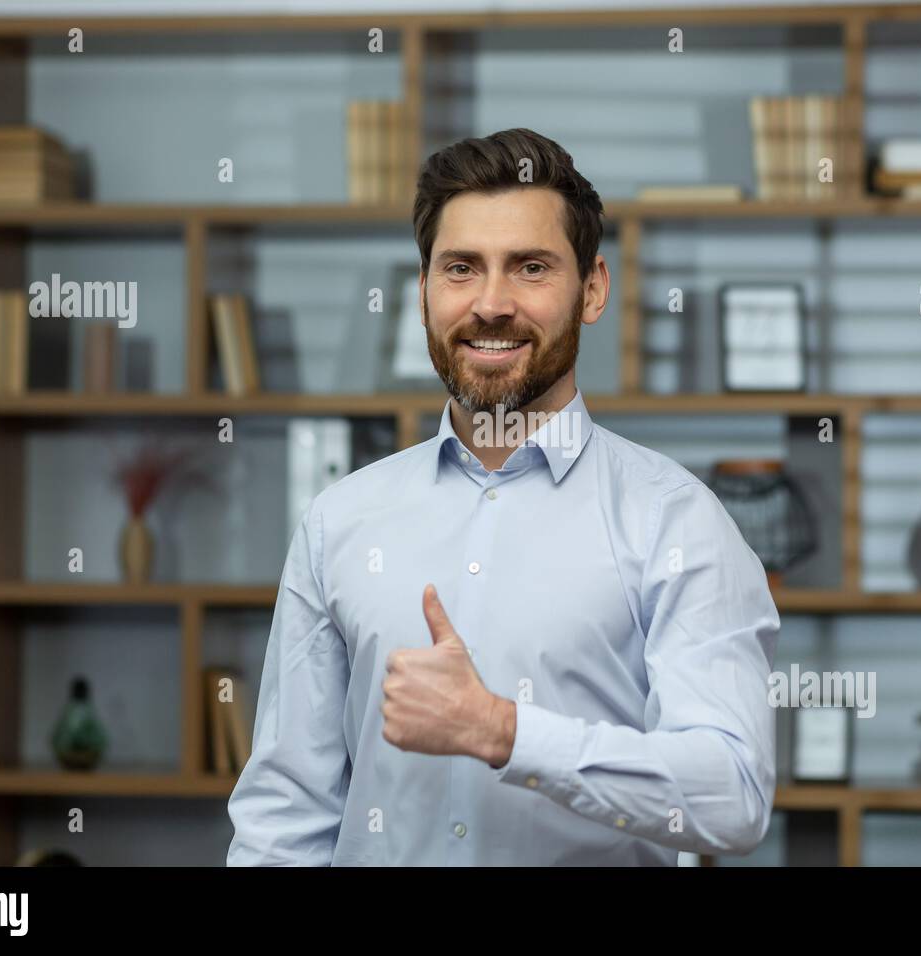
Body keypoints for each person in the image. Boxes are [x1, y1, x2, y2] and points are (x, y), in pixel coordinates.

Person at [226, 127, 780, 866]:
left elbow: (733, 794)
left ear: (592, 290)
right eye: (461, 268)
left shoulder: (676, 522)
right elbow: (285, 816)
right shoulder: (340, 521)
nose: (491, 303)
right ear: (422, 294)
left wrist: (502, 732)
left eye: (530, 268)